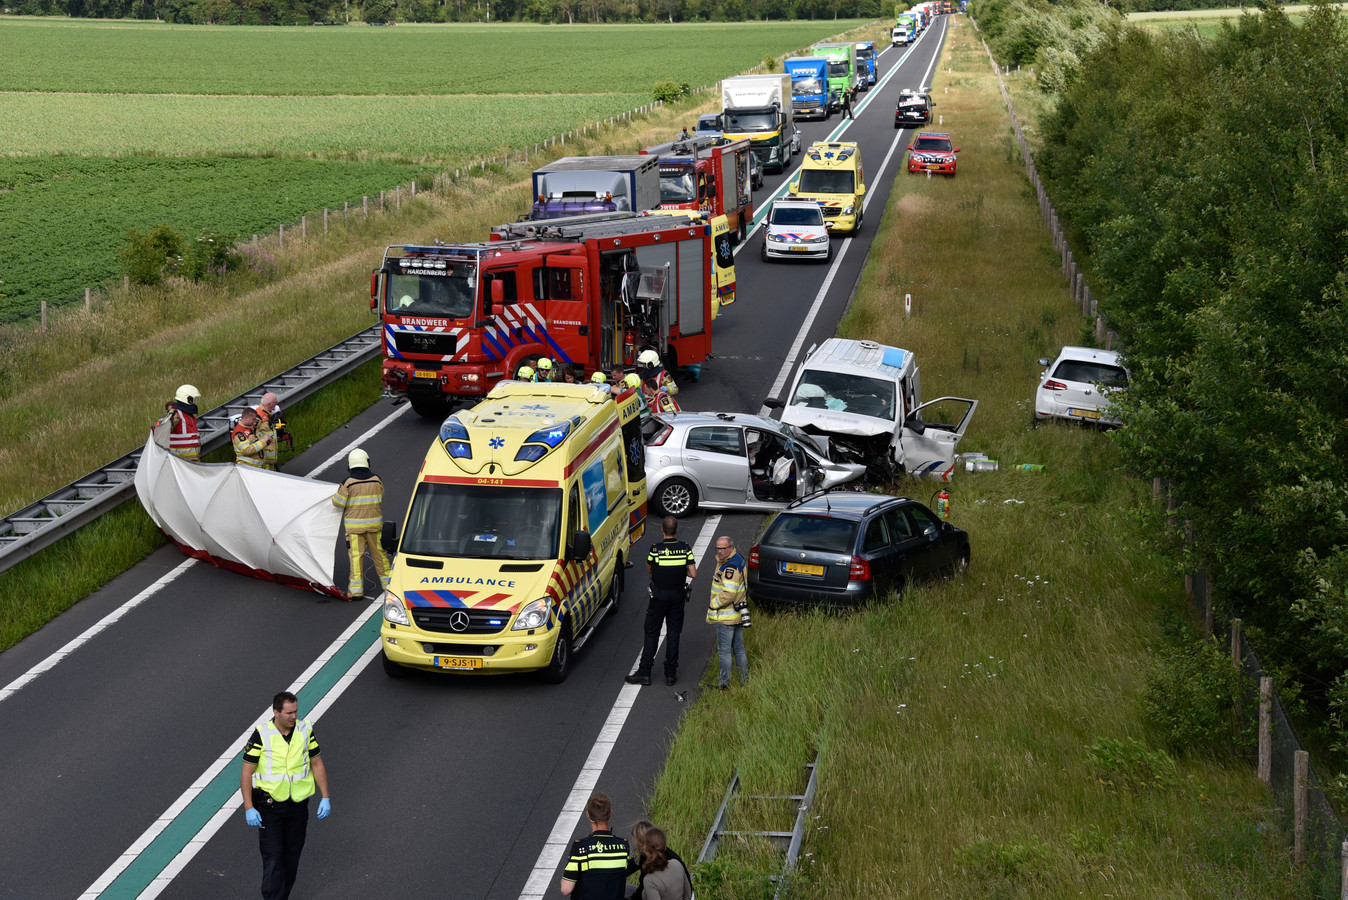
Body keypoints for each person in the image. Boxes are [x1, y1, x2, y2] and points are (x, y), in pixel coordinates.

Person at [240, 691, 331, 900]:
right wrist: (248, 807)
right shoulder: (261, 735)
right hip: (269, 808)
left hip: (298, 807)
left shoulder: (305, 730)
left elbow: (316, 763)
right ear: (276, 712)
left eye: (296, 712)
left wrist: (325, 796)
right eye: (289, 713)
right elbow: (247, 771)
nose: (293, 716)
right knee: (273, 859)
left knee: (291, 859)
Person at [626, 516, 697, 687]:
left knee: (651, 632)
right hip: (678, 596)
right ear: (676, 530)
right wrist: (681, 571)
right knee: (673, 633)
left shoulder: (655, 549)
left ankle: (644, 673)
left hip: (659, 597)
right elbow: (693, 573)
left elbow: (649, 567)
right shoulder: (685, 548)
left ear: (662, 530)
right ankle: (670, 674)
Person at [332, 448, 390, 600]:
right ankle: (389, 586)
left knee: (356, 559)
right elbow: (381, 496)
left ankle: (356, 591)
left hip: (355, 529)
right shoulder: (377, 480)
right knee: (380, 557)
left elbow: (338, 503)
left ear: (350, 465)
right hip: (375, 527)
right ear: (367, 462)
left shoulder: (348, 483)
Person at [560, 793, 630, 899]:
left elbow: (566, 889)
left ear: (588, 815)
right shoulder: (623, 846)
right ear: (610, 813)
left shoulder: (580, 847)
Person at [707, 536, 749, 691]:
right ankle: (744, 682)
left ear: (731, 547)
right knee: (739, 648)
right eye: (718, 548)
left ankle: (723, 684)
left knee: (724, 652)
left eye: (723, 548)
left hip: (726, 616)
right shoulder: (738, 558)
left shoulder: (729, 567)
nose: (720, 551)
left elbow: (729, 593)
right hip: (738, 613)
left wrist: (713, 604)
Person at [626, 821, 693, 899]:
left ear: (644, 847)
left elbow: (642, 891)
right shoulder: (676, 863)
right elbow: (688, 893)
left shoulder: (649, 879)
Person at [156, 384, 201, 461]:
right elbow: (161, 431)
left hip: (191, 460)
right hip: (180, 461)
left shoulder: (188, 415)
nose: (194, 402)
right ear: (188, 399)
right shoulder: (174, 414)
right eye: (194, 399)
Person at [637, 349, 679, 413]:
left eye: (644, 364)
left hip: (660, 411)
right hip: (648, 411)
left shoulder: (663, 375)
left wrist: (666, 389)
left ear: (650, 364)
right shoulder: (643, 375)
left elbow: (675, 390)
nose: (643, 365)